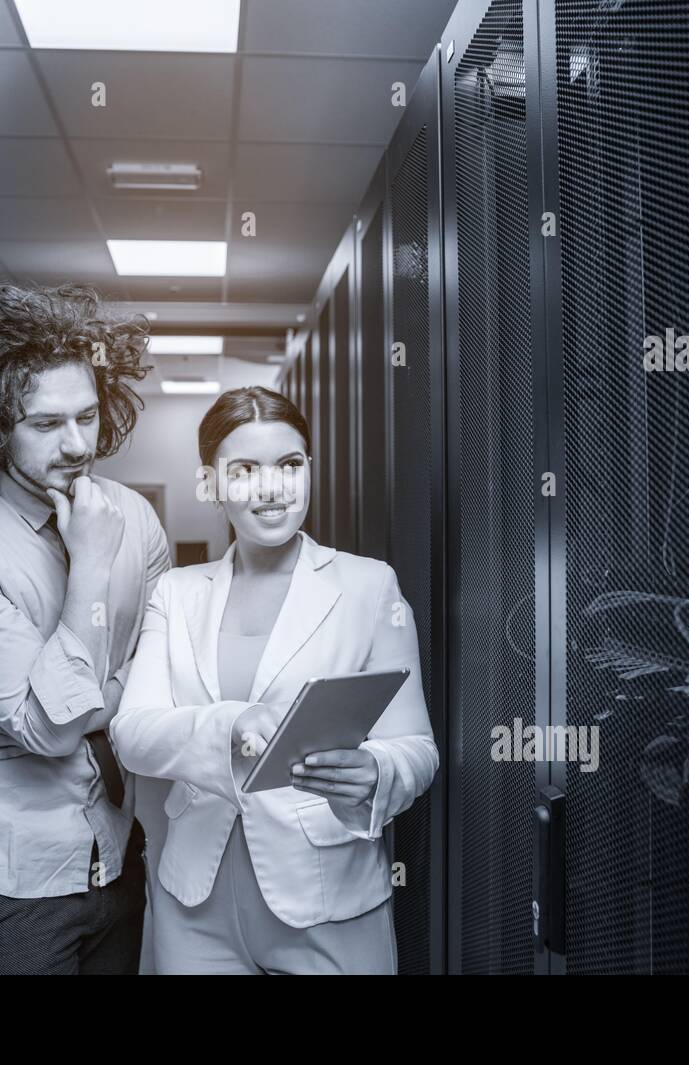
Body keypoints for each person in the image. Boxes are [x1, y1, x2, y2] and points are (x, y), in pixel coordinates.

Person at [110, 386, 438, 974]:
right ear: (210, 483)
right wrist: (232, 725)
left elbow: (416, 748)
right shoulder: (176, 594)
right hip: (196, 906)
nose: (271, 488)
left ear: (309, 469)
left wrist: (376, 771)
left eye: (289, 465)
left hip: (328, 898)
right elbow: (133, 734)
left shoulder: (369, 587)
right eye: (245, 470)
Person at [0, 282, 170, 974]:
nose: (79, 443)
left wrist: (90, 702)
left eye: (87, 416)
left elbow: (168, 673)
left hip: (114, 852)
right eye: (47, 424)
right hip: (6, 882)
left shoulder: (134, 517)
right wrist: (88, 566)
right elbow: (53, 729)